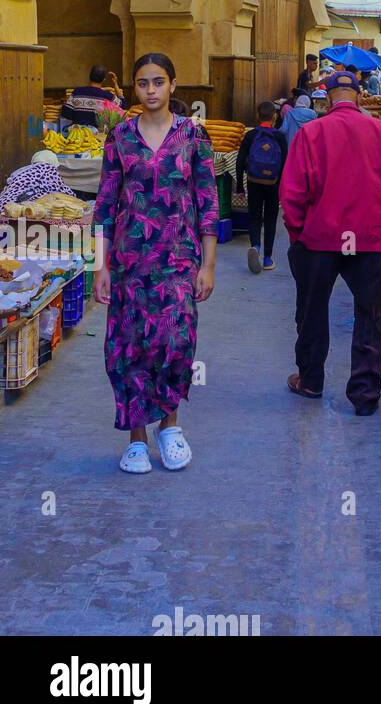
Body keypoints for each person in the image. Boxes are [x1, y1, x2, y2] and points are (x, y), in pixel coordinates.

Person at [92, 52, 218, 474]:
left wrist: (209, 264)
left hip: (179, 260)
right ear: (134, 88)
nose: (151, 90)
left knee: (175, 341)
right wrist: (101, 266)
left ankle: (170, 427)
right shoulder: (121, 138)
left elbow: (208, 204)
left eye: (158, 82)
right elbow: (105, 206)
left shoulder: (193, 136)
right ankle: (136, 440)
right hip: (129, 262)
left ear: (173, 85)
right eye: (143, 83)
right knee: (128, 347)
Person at [279, 69, 381, 414]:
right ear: (358, 97)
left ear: (326, 98)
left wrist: (299, 232)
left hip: (320, 237)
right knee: (370, 313)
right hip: (370, 236)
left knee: (312, 312)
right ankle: (364, 396)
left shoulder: (310, 133)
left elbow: (292, 193)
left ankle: (310, 380)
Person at [236, 100, 288, 275]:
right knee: (271, 218)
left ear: (258, 116)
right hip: (273, 183)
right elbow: (285, 163)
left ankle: (255, 247)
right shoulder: (280, 137)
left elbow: (240, 160)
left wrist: (239, 187)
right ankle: (267, 259)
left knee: (254, 216)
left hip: (254, 180)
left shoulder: (251, 136)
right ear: (274, 116)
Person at [0, 149, 71, 206]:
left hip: (5, 204)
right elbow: (64, 191)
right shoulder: (50, 169)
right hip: (29, 206)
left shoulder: (23, 170)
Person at [60, 65, 120, 129]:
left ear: (89, 76)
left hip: (77, 135)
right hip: (99, 136)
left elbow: (66, 113)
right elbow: (122, 106)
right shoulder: (108, 96)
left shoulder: (77, 92)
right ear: (103, 79)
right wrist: (115, 84)